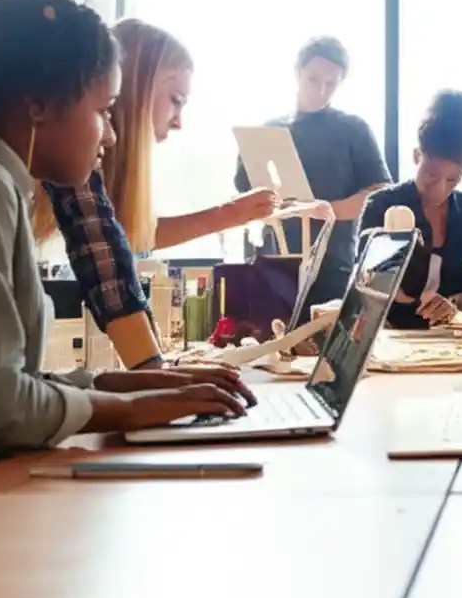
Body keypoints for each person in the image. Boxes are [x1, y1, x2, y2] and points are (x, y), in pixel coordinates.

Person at [0, 0, 254, 485]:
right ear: (37, 105)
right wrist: (127, 410)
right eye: (104, 110)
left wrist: (133, 386)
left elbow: (2, 381)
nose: (111, 135)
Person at [27, 18, 280, 369]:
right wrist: (156, 377)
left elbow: (119, 239)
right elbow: (110, 273)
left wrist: (157, 375)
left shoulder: (80, 169)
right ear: (132, 91)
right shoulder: (45, 162)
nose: (178, 121)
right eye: (176, 101)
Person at [234, 36, 391, 314]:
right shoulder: (267, 132)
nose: (321, 90)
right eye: (313, 79)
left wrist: (328, 210)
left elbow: (380, 194)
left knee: (325, 349)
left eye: (331, 84)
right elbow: (243, 197)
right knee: (274, 352)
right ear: (298, 73)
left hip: (333, 268)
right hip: (273, 266)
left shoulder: (353, 129)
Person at [360, 90, 462, 329]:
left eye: (452, 180)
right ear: (417, 156)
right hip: (388, 334)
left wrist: (455, 305)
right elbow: (366, 287)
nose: (439, 190)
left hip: (448, 336)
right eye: (431, 176)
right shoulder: (382, 205)